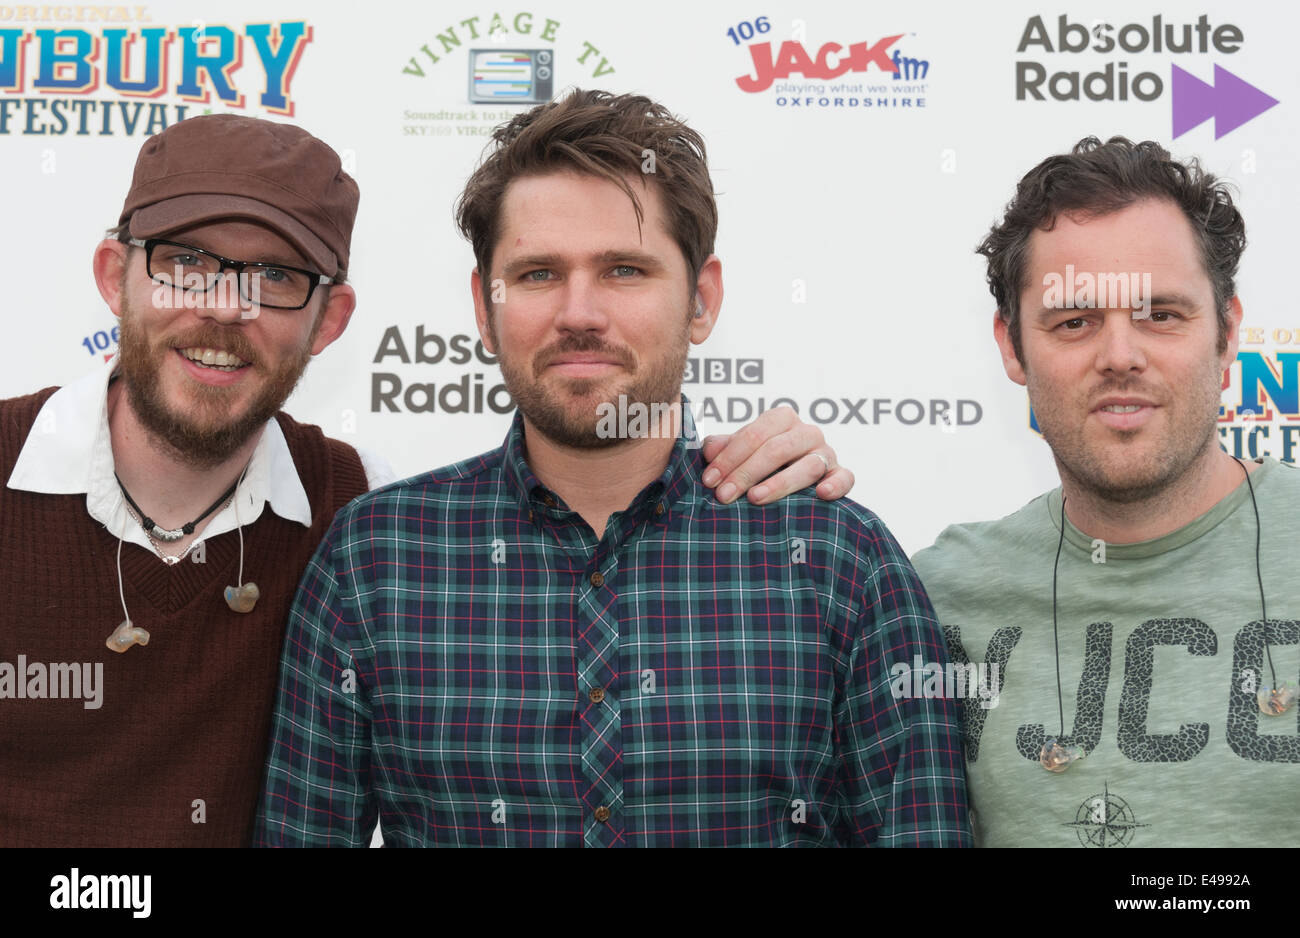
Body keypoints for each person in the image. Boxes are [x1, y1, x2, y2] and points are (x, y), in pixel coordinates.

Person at [0, 113, 853, 848]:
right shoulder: (381, 549)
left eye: (276, 278)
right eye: (188, 262)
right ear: (116, 277)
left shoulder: (353, 512)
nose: (226, 306)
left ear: (329, 320)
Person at [254, 89, 970, 848]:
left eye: (624, 270)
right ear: (483, 306)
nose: (580, 313)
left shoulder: (839, 562)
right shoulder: (377, 560)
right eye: (537, 275)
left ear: (701, 299)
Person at [911, 136, 1299, 848]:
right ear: (1011, 346)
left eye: (1161, 315)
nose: (1120, 356)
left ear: (1227, 334)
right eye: (1076, 322)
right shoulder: (931, 599)